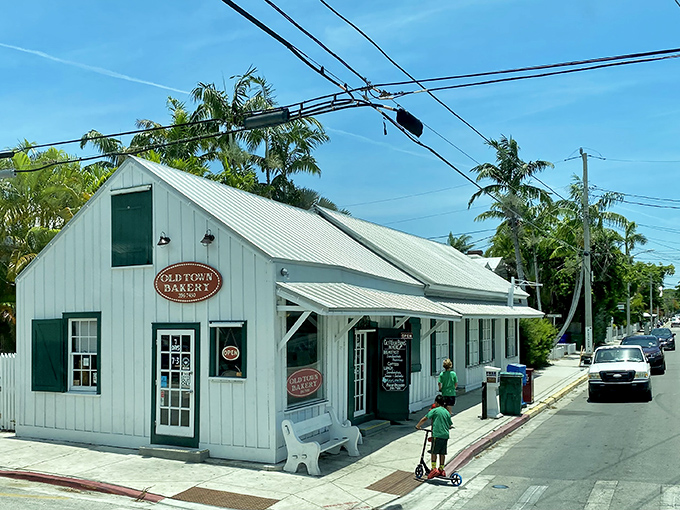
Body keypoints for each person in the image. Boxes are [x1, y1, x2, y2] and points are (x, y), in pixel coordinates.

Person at [416, 394, 452, 479]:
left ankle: (433, 469)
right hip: (445, 435)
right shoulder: (447, 412)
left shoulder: (435, 410)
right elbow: (450, 424)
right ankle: (441, 469)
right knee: (442, 453)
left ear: (436, 402)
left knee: (434, 452)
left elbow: (425, 418)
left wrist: (418, 426)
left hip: (437, 435)